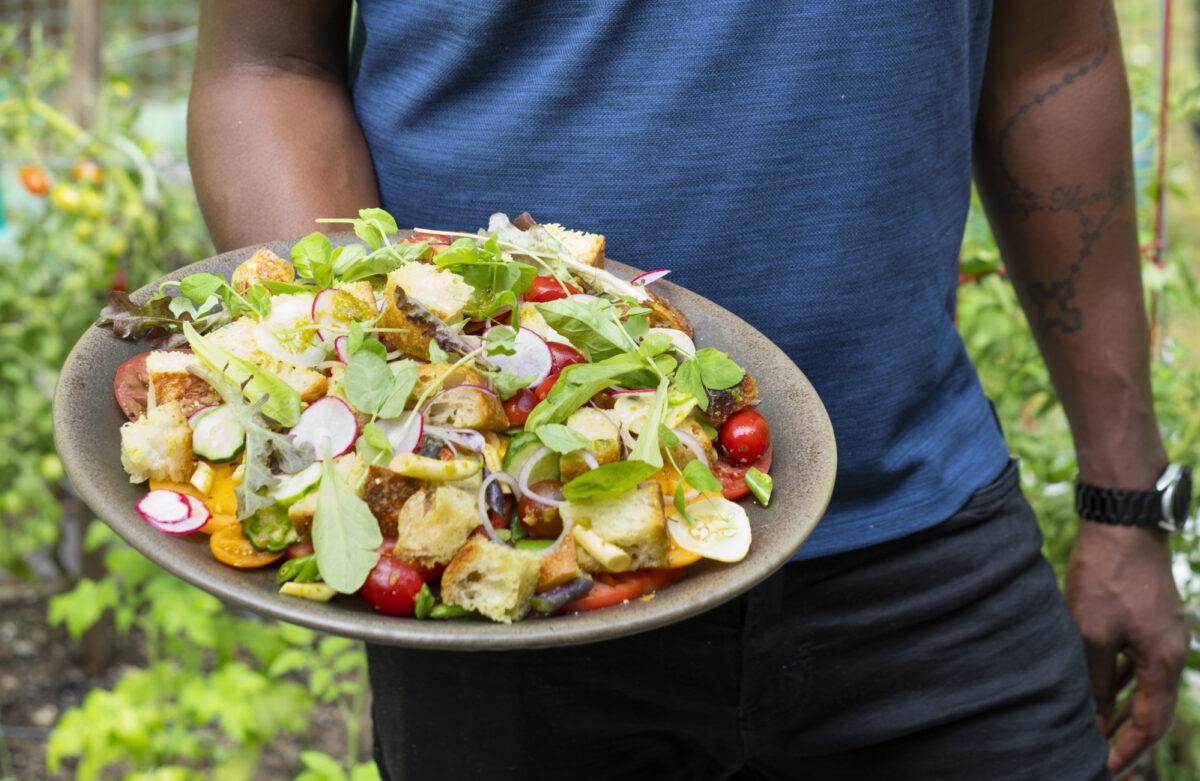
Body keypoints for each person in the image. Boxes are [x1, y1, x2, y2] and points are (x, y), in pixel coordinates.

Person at [188, 1, 1189, 778]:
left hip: (922, 550)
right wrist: (355, 420)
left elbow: (1053, 57)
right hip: (512, 599)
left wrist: (1126, 496)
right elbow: (268, 62)